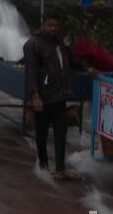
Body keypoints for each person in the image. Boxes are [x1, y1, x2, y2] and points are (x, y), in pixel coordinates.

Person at [24, 15, 96, 181]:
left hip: (60, 95)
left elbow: (73, 60)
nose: (53, 29)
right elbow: (31, 72)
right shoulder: (32, 44)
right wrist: (35, 96)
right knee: (41, 132)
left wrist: (88, 68)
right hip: (43, 95)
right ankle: (43, 164)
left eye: (56, 26)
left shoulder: (59, 43)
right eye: (50, 25)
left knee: (60, 131)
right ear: (43, 25)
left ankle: (60, 169)